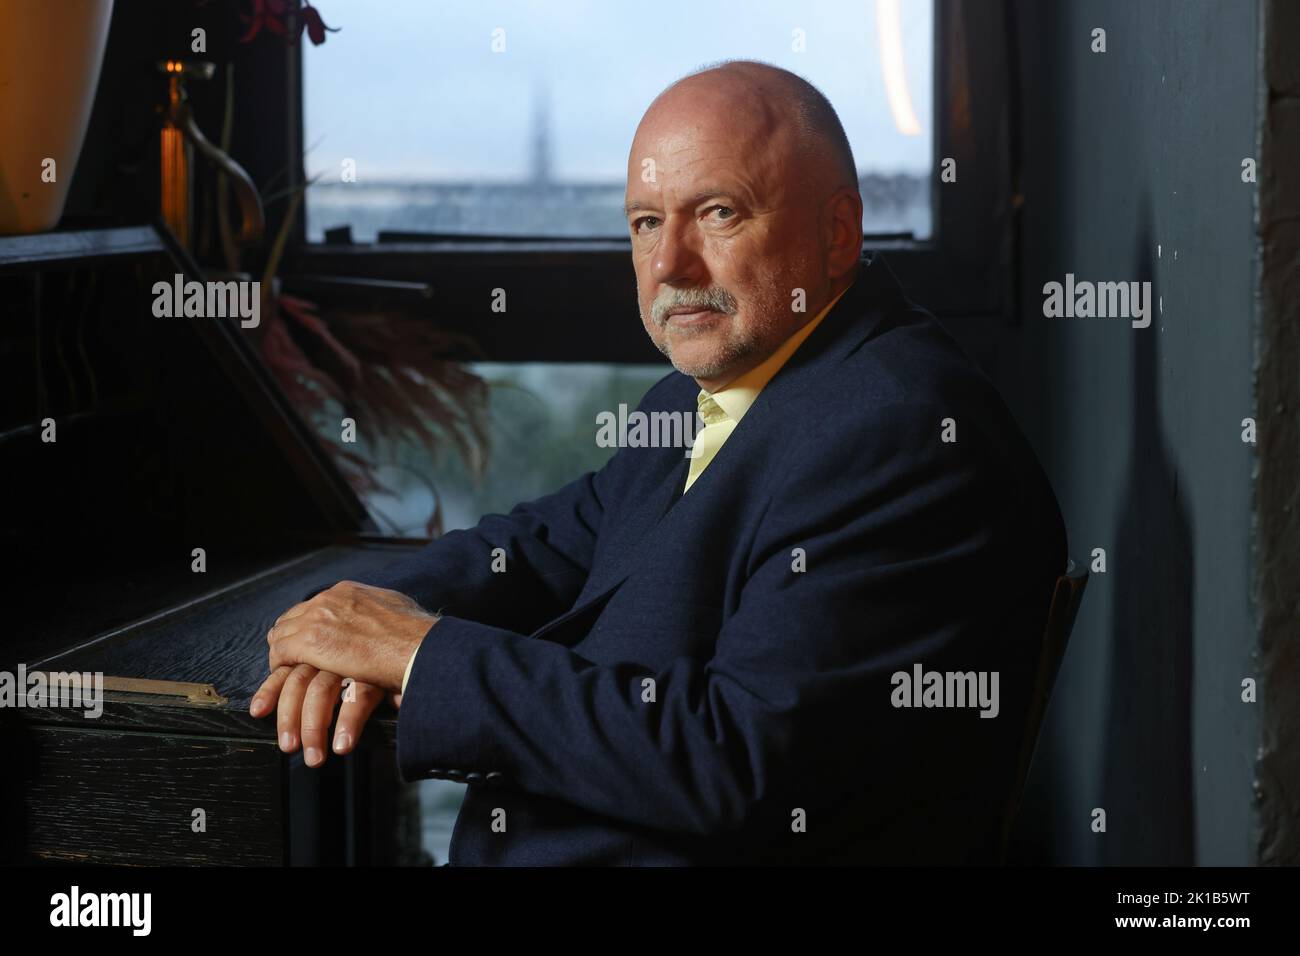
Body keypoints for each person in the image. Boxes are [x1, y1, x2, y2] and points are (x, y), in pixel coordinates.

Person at [252, 59, 1066, 864]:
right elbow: (545, 543)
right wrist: (374, 610)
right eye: (646, 223)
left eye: (717, 213)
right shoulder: (706, 396)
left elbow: (734, 758)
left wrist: (417, 653)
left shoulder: (905, 434)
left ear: (838, 232)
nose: (670, 265)